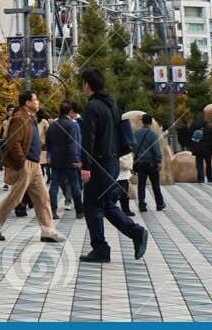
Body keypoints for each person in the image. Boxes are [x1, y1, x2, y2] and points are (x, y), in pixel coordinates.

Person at [76, 69, 148, 263]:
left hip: (98, 165)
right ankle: (136, 233)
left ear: (87, 85)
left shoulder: (92, 107)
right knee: (106, 204)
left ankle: (101, 248)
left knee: (91, 206)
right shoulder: (111, 105)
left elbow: (88, 140)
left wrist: (86, 166)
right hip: (112, 162)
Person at [0, 90, 63, 244]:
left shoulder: (30, 117)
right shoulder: (19, 118)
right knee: (16, 198)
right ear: (27, 102)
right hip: (26, 164)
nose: (38, 102)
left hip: (35, 164)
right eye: (36, 99)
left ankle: (47, 231)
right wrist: (22, 162)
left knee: (43, 198)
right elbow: (13, 143)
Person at [44, 102, 83, 218]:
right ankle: (79, 211)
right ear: (70, 111)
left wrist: (50, 156)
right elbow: (73, 144)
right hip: (69, 160)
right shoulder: (71, 125)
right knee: (75, 185)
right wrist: (76, 159)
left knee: (54, 185)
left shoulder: (53, 125)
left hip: (56, 159)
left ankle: (53, 210)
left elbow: (48, 143)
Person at [132, 113, 166, 212]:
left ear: (142, 121)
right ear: (151, 122)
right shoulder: (152, 134)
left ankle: (142, 204)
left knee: (141, 184)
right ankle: (159, 203)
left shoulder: (136, 133)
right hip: (151, 163)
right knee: (155, 184)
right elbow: (156, 149)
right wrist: (159, 161)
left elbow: (133, 147)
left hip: (140, 163)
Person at [191, 113, 212, 183]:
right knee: (208, 164)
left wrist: (192, 147)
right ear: (204, 118)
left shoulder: (194, 126)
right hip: (208, 149)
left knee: (199, 164)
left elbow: (190, 136)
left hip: (198, 149)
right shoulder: (209, 127)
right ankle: (210, 178)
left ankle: (201, 179)